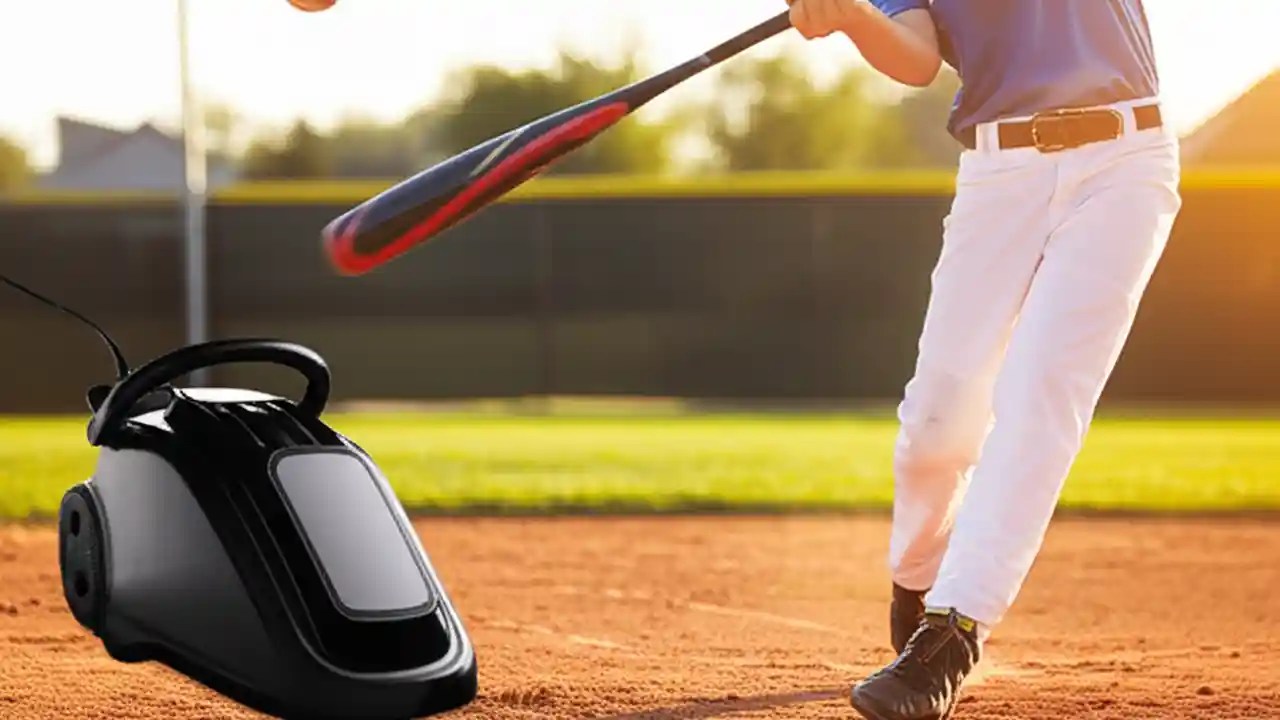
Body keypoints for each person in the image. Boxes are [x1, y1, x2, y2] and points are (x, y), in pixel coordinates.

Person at [783, 1, 1183, 718]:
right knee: (936, 426)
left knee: (1039, 394)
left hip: (1124, 158)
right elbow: (915, 55)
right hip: (1000, 171)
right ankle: (920, 582)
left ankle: (954, 631)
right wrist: (848, 15)